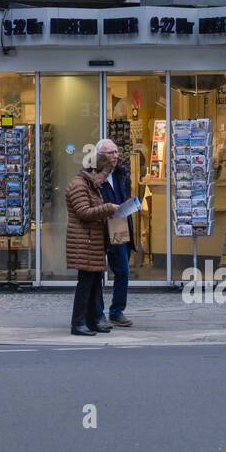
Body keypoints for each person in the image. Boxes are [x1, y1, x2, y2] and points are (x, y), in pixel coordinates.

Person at [65, 150, 119, 337]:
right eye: (104, 175)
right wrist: (108, 208)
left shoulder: (90, 185)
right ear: (95, 170)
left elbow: (91, 210)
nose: (105, 180)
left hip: (91, 241)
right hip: (84, 242)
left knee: (94, 283)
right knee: (85, 283)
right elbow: (84, 212)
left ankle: (90, 320)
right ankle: (78, 323)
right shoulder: (79, 185)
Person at [91, 138, 134, 328]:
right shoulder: (91, 176)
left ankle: (117, 311)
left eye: (116, 152)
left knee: (122, 271)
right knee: (97, 273)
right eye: (110, 153)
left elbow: (124, 195)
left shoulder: (121, 174)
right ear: (100, 155)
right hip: (98, 227)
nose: (115, 156)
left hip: (118, 225)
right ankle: (98, 313)